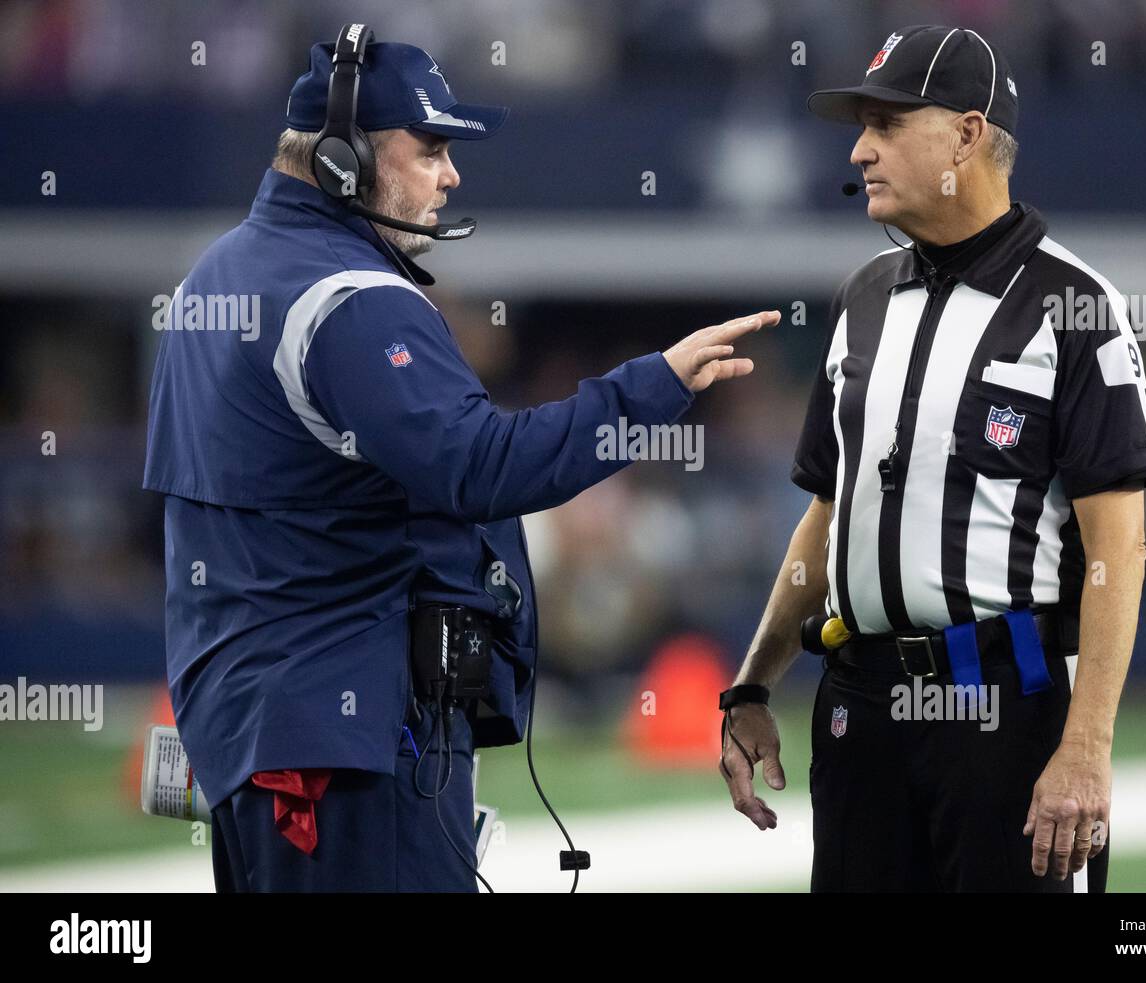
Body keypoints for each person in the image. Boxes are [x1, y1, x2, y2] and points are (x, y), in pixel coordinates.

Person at [143, 26, 778, 892]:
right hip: (348, 746)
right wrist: (651, 386)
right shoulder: (349, 298)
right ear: (341, 158)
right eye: (432, 146)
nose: (451, 175)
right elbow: (480, 465)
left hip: (246, 737)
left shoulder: (212, 277)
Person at [717, 24, 1146, 892]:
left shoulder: (1073, 306)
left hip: (1002, 701)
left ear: (966, 132)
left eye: (886, 124)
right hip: (858, 703)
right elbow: (830, 510)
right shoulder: (862, 297)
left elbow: (1119, 548)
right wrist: (751, 686)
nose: (859, 149)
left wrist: (1087, 748)